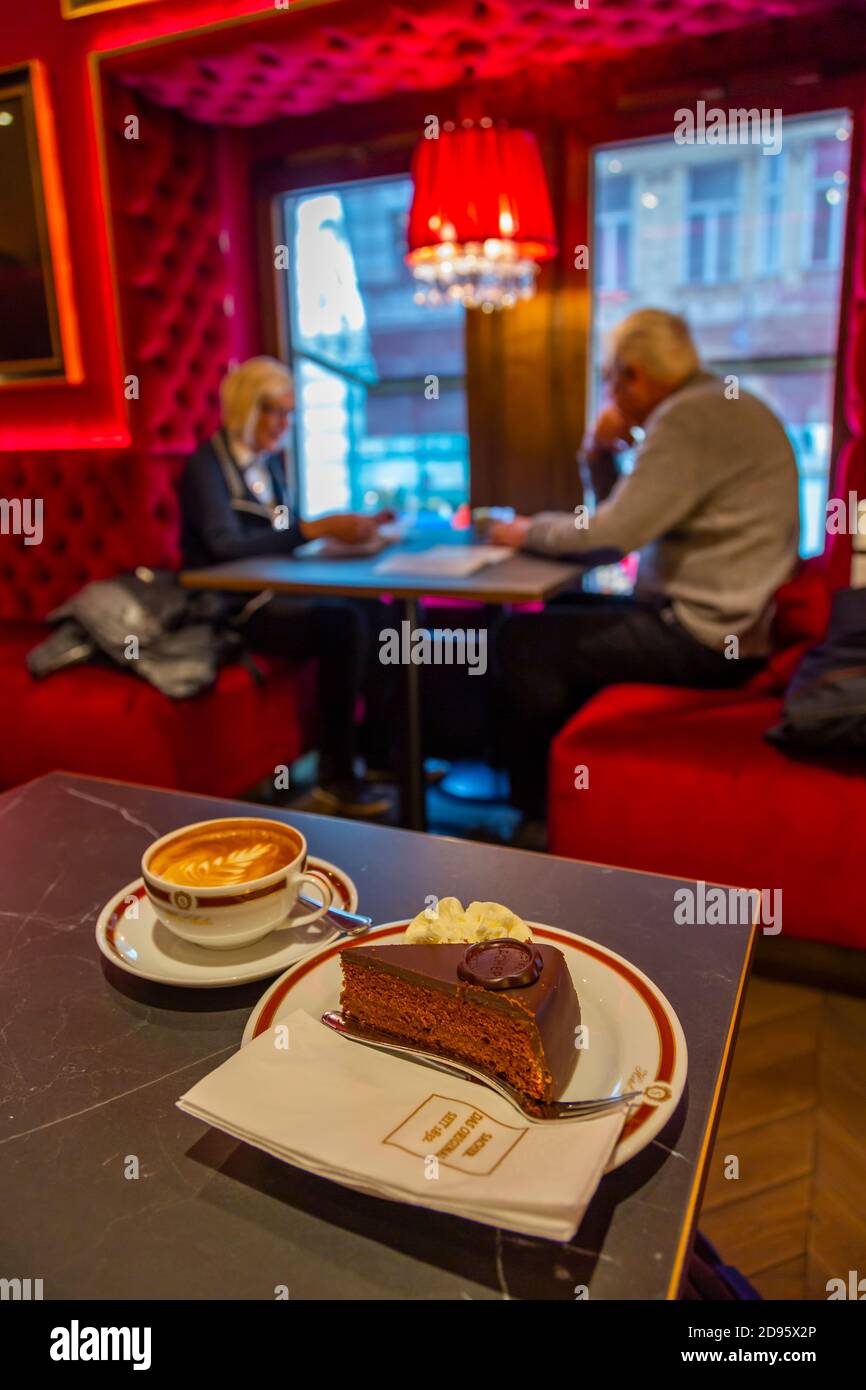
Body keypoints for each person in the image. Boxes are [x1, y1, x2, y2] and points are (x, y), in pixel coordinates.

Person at [490, 308, 800, 820]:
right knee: (553, 612)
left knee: (521, 641)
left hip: (708, 639)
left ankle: (532, 818)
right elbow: (623, 525)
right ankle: (545, 792)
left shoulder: (689, 415)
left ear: (632, 375)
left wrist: (524, 530)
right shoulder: (717, 403)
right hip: (735, 627)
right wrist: (597, 456)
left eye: (610, 381)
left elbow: (612, 537)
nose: (610, 395)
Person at [180, 355, 391, 818]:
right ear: (245, 407)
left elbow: (283, 537)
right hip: (234, 609)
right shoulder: (205, 468)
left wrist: (339, 535)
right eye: (275, 411)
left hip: (278, 593)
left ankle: (378, 755)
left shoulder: (269, 466)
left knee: (381, 610)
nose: (283, 424)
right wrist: (314, 530)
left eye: (289, 413)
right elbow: (223, 548)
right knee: (344, 624)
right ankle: (336, 777)